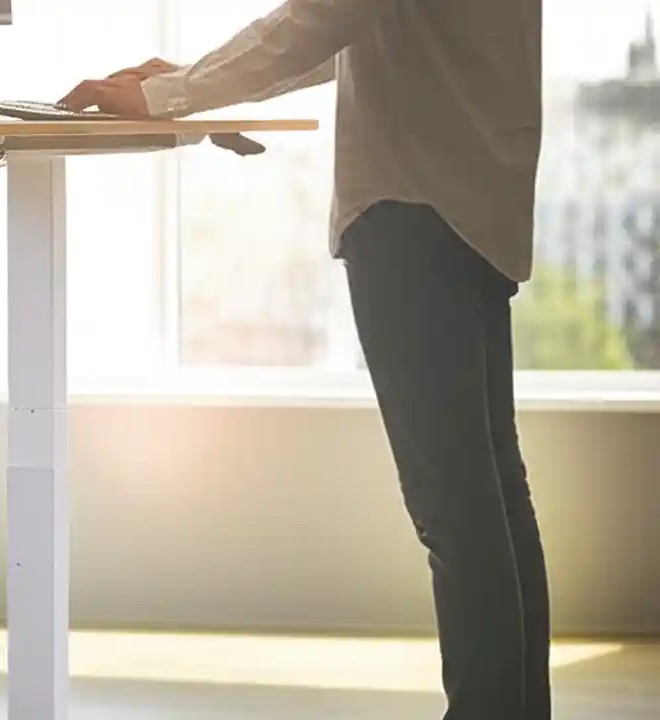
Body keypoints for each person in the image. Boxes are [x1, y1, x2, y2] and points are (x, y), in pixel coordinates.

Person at [60, 2, 550, 719]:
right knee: (492, 493)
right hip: (469, 201)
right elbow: (359, 30)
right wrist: (199, 79)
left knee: (455, 505)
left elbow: (327, 15)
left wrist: (178, 93)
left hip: (412, 206)